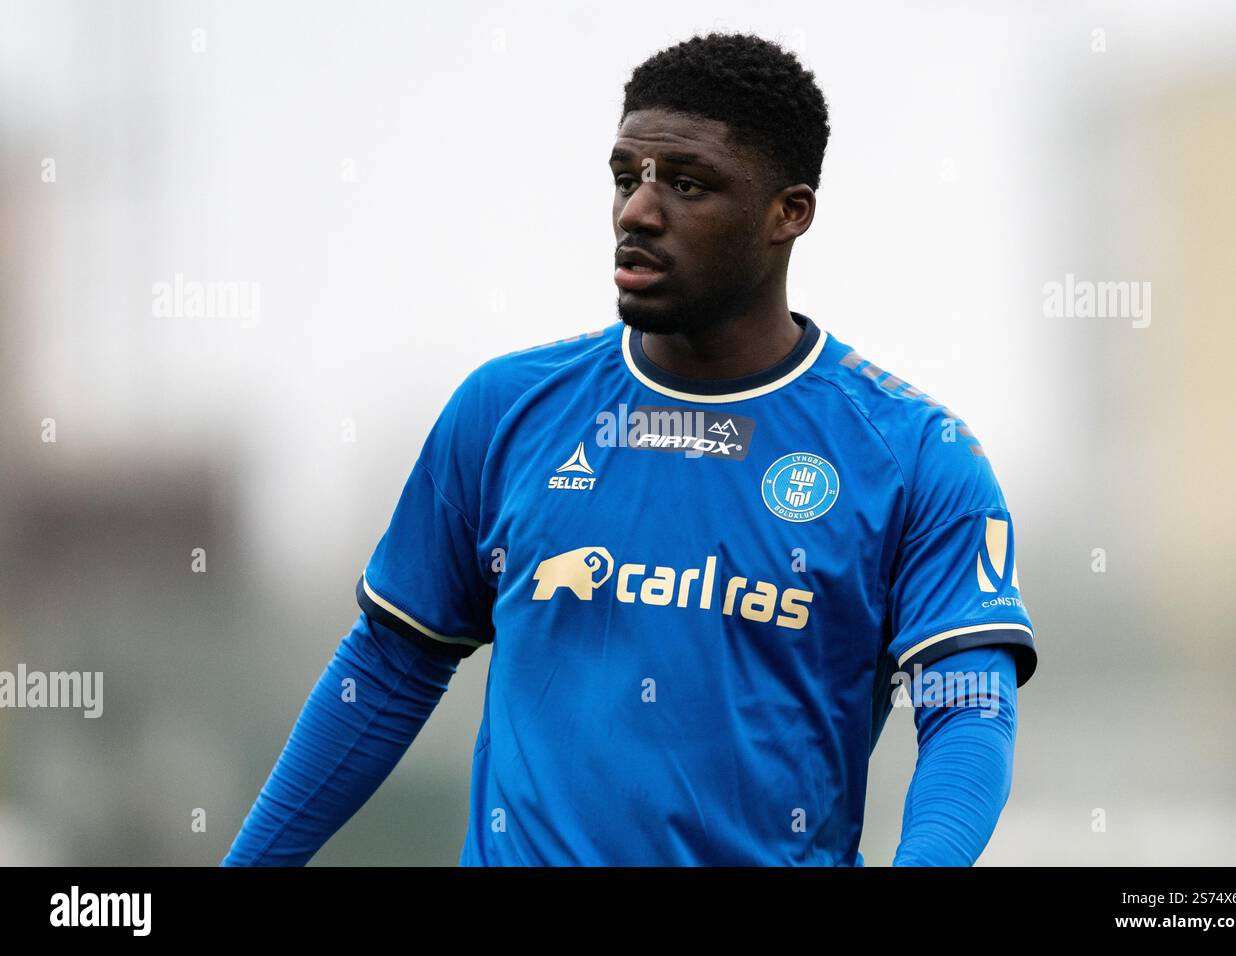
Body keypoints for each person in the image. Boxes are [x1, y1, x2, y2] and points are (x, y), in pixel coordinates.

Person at [223, 31, 1036, 867]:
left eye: (687, 185)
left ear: (787, 213)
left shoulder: (916, 457)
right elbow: (389, 669)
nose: (638, 212)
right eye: (625, 179)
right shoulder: (505, 412)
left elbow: (967, 709)